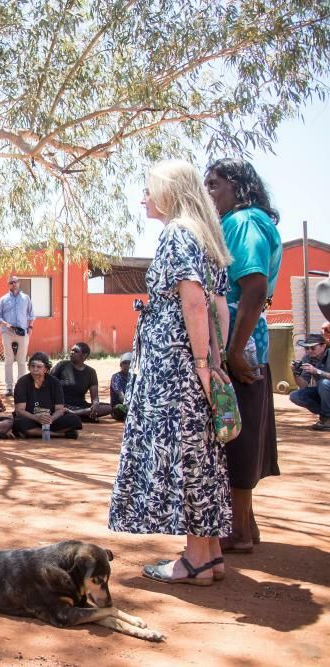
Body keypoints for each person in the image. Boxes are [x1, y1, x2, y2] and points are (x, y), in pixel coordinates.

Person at [110, 159, 232, 586]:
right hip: (192, 365)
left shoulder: (177, 235)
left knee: (181, 457)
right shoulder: (203, 236)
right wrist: (214, 362)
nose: (143, 197)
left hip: (174, 371)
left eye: (148, 189)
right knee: (201, 454)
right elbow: (217, 307)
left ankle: (195, 559)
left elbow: (196, 303)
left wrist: (199, 364)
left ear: (169, 192)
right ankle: (210, 553)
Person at [205, 158, 282, 554]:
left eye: (214, 184)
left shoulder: (243, 223)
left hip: (241, 345)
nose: (209, 193)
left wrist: (234, 351)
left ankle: (237, 530)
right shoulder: (247, 221)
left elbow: (253, 287)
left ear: (237, 185)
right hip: (246, 342)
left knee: (235, 434)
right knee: (239, 429)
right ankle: (245, 522)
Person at [12, 352, 82, 438]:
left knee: (74, 420)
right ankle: (60, 434)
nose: (35, 369)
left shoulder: (55, 382)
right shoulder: (22, 382)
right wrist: (36, 418)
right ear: (29, 367)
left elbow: (60, 409)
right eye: (32, 366)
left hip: (51, 419)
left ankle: (35, 433)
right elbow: (20, 410)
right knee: (19, 423)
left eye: (39, 367)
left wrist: (50, 419)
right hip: (31, 418)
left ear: (46, 369)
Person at [51, 342, 112, 422]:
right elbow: (48, 382)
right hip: (61, 404)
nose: (71, 352)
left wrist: (96, 403)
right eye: (71, 350)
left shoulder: (91, 372)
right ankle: (81, 415)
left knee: (108, 408)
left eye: (75, 351)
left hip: (80, 406)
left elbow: (95, 397)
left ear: (84, 355)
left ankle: (73, 414)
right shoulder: (62, 365)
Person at [0, 276, 34, 396]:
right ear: (9, 285)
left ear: (19, 283)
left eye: (15, 282)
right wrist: (6, 324)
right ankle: (9, 387)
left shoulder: (26, 298)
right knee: (9, 360)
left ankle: (21, 386)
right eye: (11, 283)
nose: (14, 284)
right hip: (7, 332)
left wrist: (30, 327)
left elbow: (31, 314)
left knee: (22, 360)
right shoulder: (3, 299)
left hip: (22, 332)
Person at [288, 334, 330, 430]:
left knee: (323, 383)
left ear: (323, 346)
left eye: (313, 348)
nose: (309, 351)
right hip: (324, 392)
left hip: (325, 387)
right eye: (307, 348)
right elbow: (303, 385)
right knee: (295, 396)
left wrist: (317, 371)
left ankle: (327, 418)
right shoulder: (307, 358)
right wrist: (295, 372)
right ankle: (326, 417)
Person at [109, 352, 134, 421]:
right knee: (119, 408)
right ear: (121, 365)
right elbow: (120, 395)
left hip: (133, 405)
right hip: (120, 405)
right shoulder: (116, 377)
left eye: (129, 363)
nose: (127, 365)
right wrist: (130, 407)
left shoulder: (135, 378)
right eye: (124, 363)